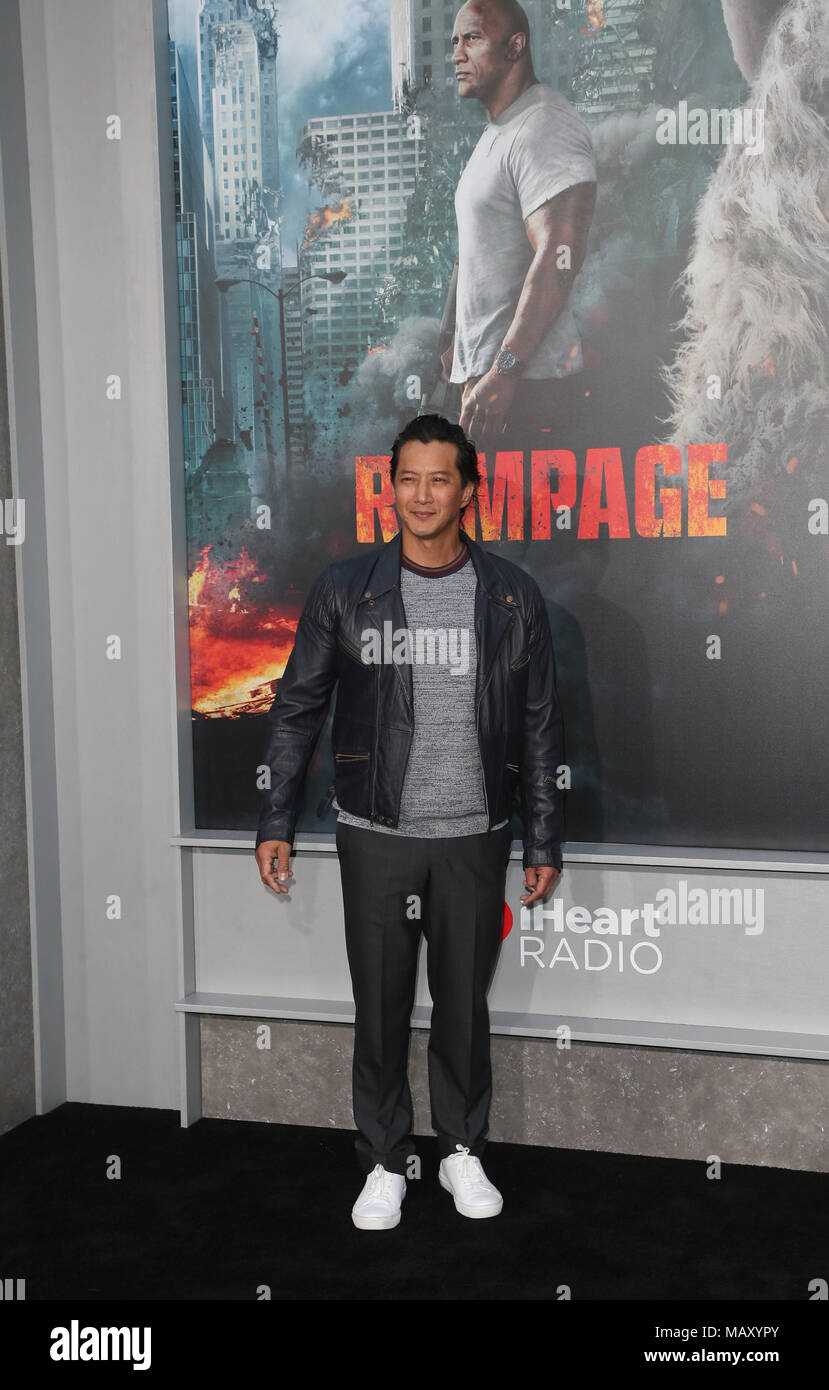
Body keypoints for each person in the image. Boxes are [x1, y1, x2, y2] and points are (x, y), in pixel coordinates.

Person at [254, 413, 564, 1230]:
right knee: (380, 1007)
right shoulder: (343, 589)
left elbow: (538, 726)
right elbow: (295, 711)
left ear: (467, 489)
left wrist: (541, 835)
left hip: (474, 834)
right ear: (389, 487)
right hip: (376, 835)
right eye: (408, 478)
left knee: (464, 1008)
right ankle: (386, 1160)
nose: (422, 495)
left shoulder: (510, 594)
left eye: (440, 479)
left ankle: (462, 1151)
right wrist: (276, 817)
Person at [448, 0, 597, 443]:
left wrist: (505, 372)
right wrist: (456, 351)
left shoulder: (543, 123)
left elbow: (561, 254)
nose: (457, 53)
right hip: (495, 387)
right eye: (454, 41)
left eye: (472, 38)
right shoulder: (497, 132)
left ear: (516, 46)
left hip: (530, 391)